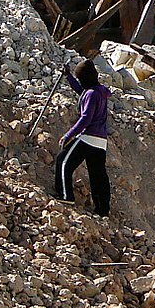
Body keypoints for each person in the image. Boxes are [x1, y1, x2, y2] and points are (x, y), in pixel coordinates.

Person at [53, 59, 110, 217]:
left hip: (89, 137)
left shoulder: (91, 94)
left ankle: (66, 196)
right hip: (101, 142)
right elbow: (81, 91)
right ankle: (102, 210)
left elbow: (86, 119)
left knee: (63, 161)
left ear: (84, 78)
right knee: (97, 175)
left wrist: (68, 135)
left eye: (80, 78)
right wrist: (68, 76)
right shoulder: (98, 92)